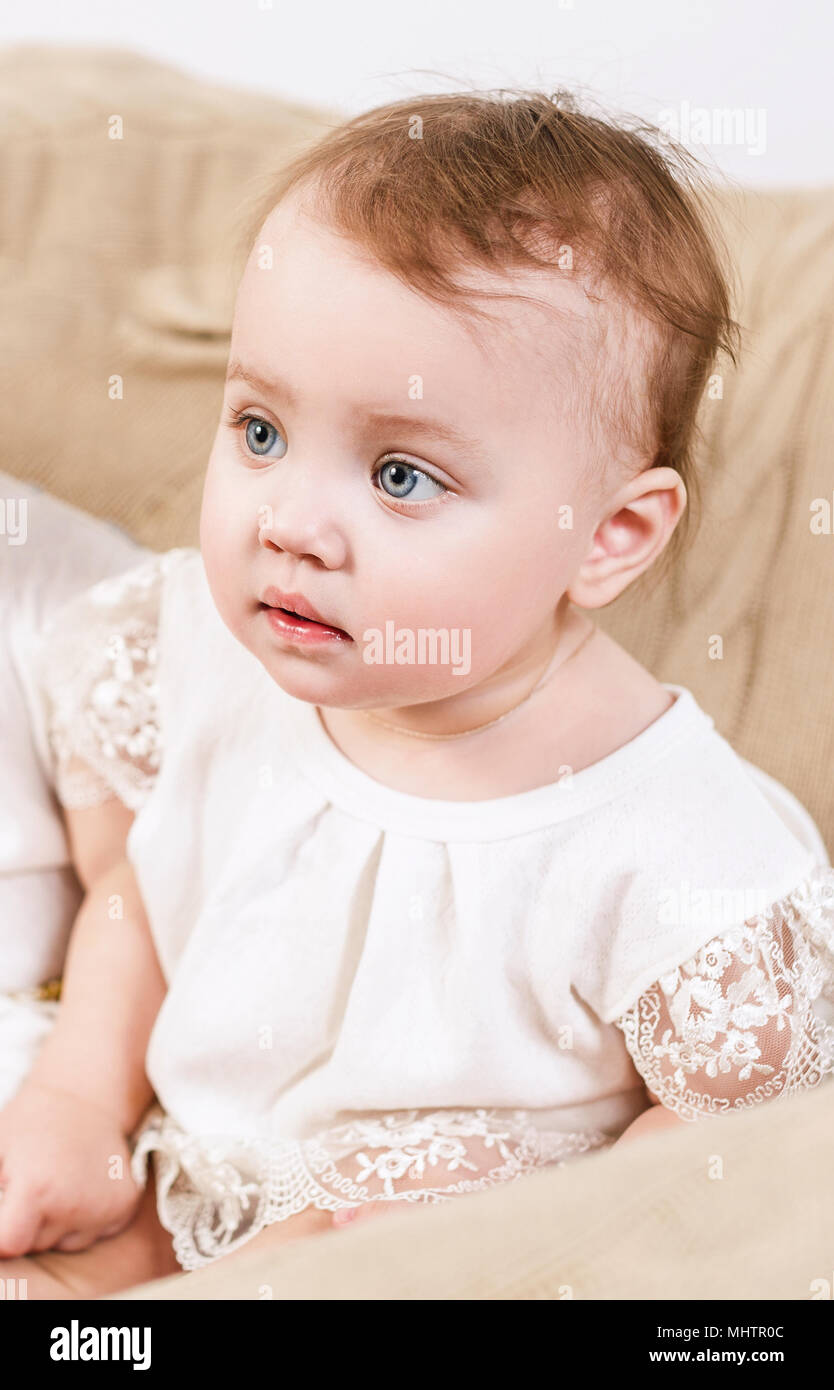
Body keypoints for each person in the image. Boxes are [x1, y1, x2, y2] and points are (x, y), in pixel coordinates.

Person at [1, 88, 833, 1300]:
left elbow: (721, 1162)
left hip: (433, 1262)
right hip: (184, 1180)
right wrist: (76, 1101)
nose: (290, 525)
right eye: (262, 430)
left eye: (401, 474)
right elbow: (141, 886)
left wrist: (487, 1252)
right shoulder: (213, 661)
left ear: (607, 535)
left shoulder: (681, 850)